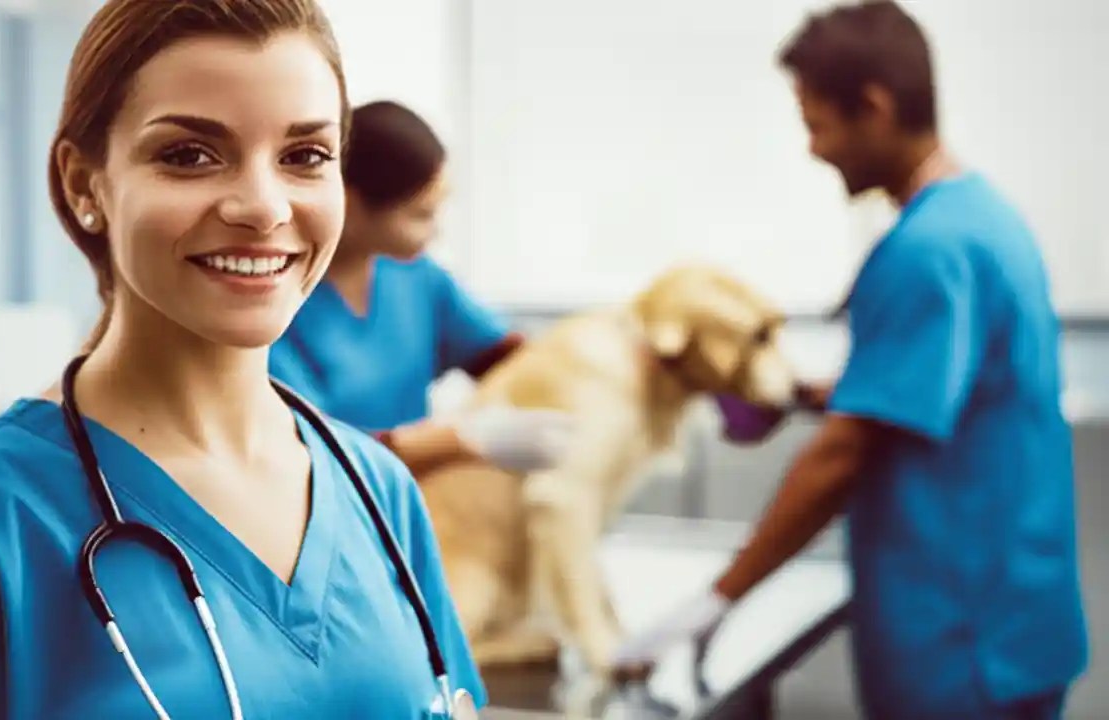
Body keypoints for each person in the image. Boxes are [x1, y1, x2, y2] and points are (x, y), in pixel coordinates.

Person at [0, 2, 486, 718]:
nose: (263, 207)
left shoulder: (379, 496)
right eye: (189, 155)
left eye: (305, 157)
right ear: (86, 184)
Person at [614, 2, 1089, 718]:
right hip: (1014, 617)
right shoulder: (983, 217)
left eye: (817, 125)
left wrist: (718, 598)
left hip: (959, 644)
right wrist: (798, 392)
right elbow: (943, 389)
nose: (813, 149)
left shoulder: (927, 252)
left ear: (874, 107)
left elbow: (847, 450)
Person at [269, 100, 574, 478]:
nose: (437, 232)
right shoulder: (276, 305)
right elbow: (307, 453)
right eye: (421, 215)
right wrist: (456, 440)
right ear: (350, 202)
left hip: (413, 507)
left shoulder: (416, 277)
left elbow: (506, 358)